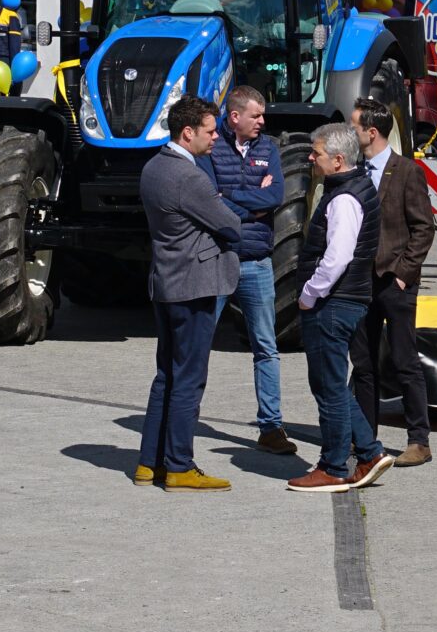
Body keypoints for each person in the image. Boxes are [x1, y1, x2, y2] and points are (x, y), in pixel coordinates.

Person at [134, 96, 241, 491]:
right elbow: (229, 223)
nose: (216, 138)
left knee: (167, 374)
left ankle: (150, 461)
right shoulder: (189, 177)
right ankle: (179, 464)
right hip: (193, 285)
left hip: (166, 282)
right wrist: (225, 207)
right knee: (189, 379)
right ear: (188, 132)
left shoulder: (154, 167)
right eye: (211, 132)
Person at [287, 121, 391, 494]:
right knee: (334, 385)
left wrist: (310, 294)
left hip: (333, 302)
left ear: (338, 159)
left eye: (316, 154)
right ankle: (369, 452)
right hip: (345, 300)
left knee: (329, 388)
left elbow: (337, 257)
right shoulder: (354, 186)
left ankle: (333, 466)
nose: (311, 159)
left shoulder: (344, 198)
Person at [209, 86, 296, 455]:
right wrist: (248, 206)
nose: (263, 121)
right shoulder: (211, 147)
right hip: (216, 259)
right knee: (197, 344)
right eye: (257, 115)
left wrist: (230, 200)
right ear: (235, 117)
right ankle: (180, 418)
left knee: (266, 346)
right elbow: (208, 197)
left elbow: (274, 198)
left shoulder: (268, 149)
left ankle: (271, 427)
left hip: (258, 262)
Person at [351, 99, 435, 468]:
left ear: (371, 132)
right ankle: (365, 438)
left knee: (404, 361)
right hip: (360, 284)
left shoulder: (405, 172)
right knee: (364, 364)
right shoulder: (354, 170)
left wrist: (403, 274)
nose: (349, 134)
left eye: (353, 128)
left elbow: (423, 227)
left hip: (394, 282)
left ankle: (419, 439)